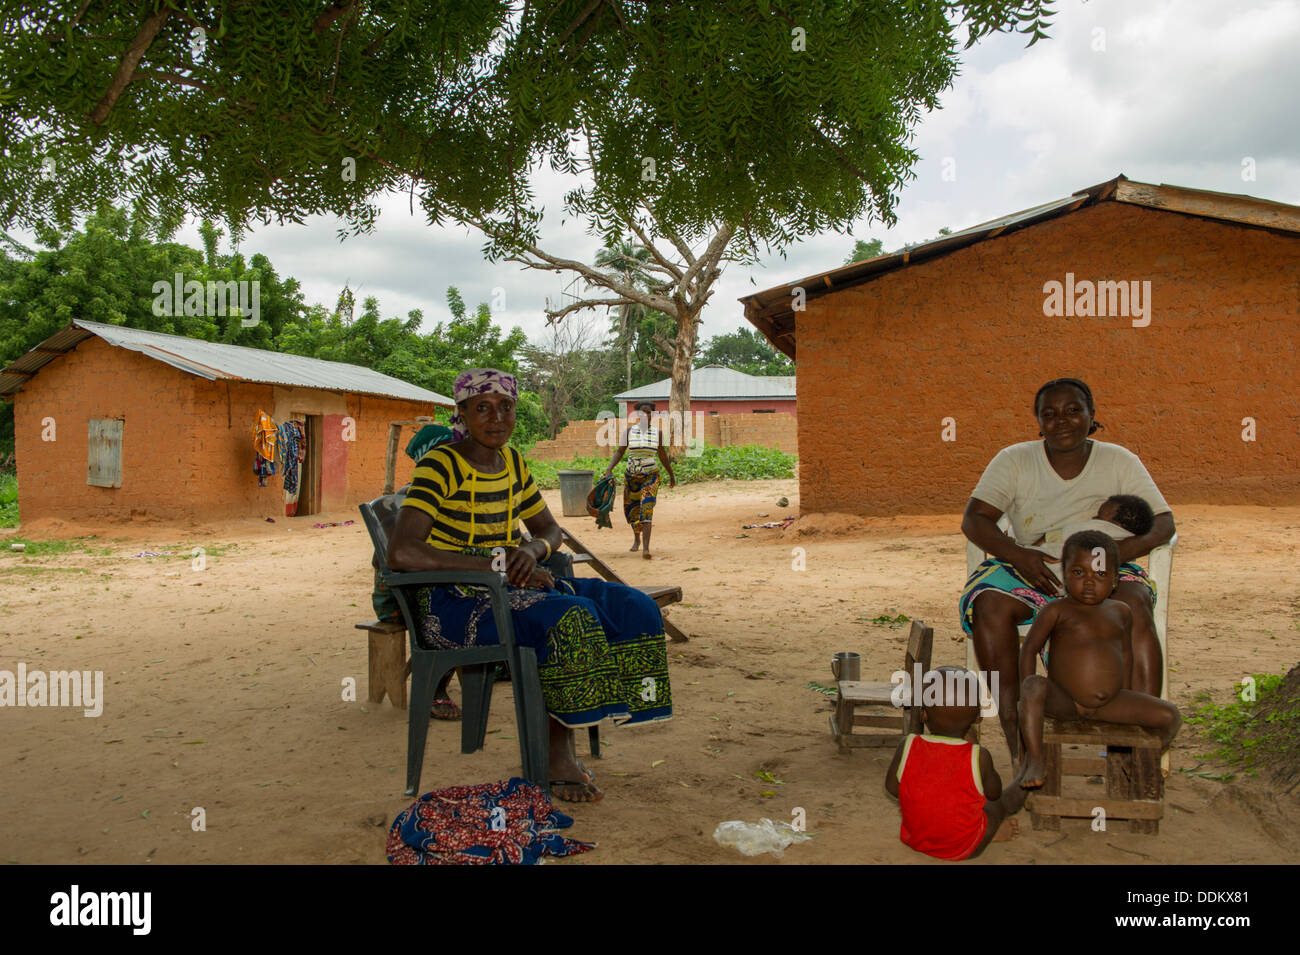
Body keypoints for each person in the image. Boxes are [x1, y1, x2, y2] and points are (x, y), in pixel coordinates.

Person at [386, 369, 673, 803]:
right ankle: (557, 756)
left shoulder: (512, 463)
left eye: (506, 407)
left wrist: (533, 551)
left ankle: (593, 714)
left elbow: (550, 531)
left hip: (508, 587)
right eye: (483, 408)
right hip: (452, 604)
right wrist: (496, 564)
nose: (496, 417)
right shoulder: (440, 465)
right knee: (569, 619)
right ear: (461, 412)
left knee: (633, 606)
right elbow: (402, 553)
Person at [959, 378, 1176, 759]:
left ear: (1092, 416)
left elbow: (1163, 524)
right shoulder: (1014, 460)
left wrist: (1116, 554)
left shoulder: (1119, 460)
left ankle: (1129, 746)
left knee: (1133, 600)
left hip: (1103, 565)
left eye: (1074, 411)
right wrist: (1017, 555)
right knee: (990, 606)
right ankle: (1018, 743)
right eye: (1050, 413)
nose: (1062, 421)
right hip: (1033, 566)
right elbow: (975, 520)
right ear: (1038, 421)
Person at [1017, 531, 1182, 787]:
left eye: (1100, 574)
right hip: (1066, 702)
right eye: (1079, 573)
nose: (1090, 582)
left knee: (1170, 716)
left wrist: (1126, 698)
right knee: (1033, 686)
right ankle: (1035, 759)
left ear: (1115, 580)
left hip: (1110, 703)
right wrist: (1026, 694)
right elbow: (1029, 649)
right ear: (1065, 574)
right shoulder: (1057, 611)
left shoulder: (1121, 612)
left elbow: (1126, 656)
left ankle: (1135, 760)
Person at [885, 666, 1027, 860]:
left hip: (917, 839)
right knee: (1001, 804)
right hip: (964, 847)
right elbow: (993, 794)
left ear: (923, 714)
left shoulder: (908, 745)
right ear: (979, 717)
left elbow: (893, 788)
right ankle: (1027, 777)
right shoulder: (979, 756)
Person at [604, 400, 676, 559]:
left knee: (647, 508)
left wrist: (671, 474)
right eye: (642, 412)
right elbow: (619, 452)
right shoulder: (629, 432)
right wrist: (609, 469)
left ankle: (646, 548)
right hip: (632, 476)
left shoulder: (658, 433)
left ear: (652, 414)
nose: (646, 415)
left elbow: (662, 455)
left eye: (649, 412)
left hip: (651, 475)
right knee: (632, 510)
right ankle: (636, 539)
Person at [1030, 493, 1155, 581]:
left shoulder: (1096, 527)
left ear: (1116, 524)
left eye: (1099, 516)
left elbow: (1051, 536)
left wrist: (1028, 549)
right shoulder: (1130, 538)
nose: (1094, 518)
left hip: (1051, 568)